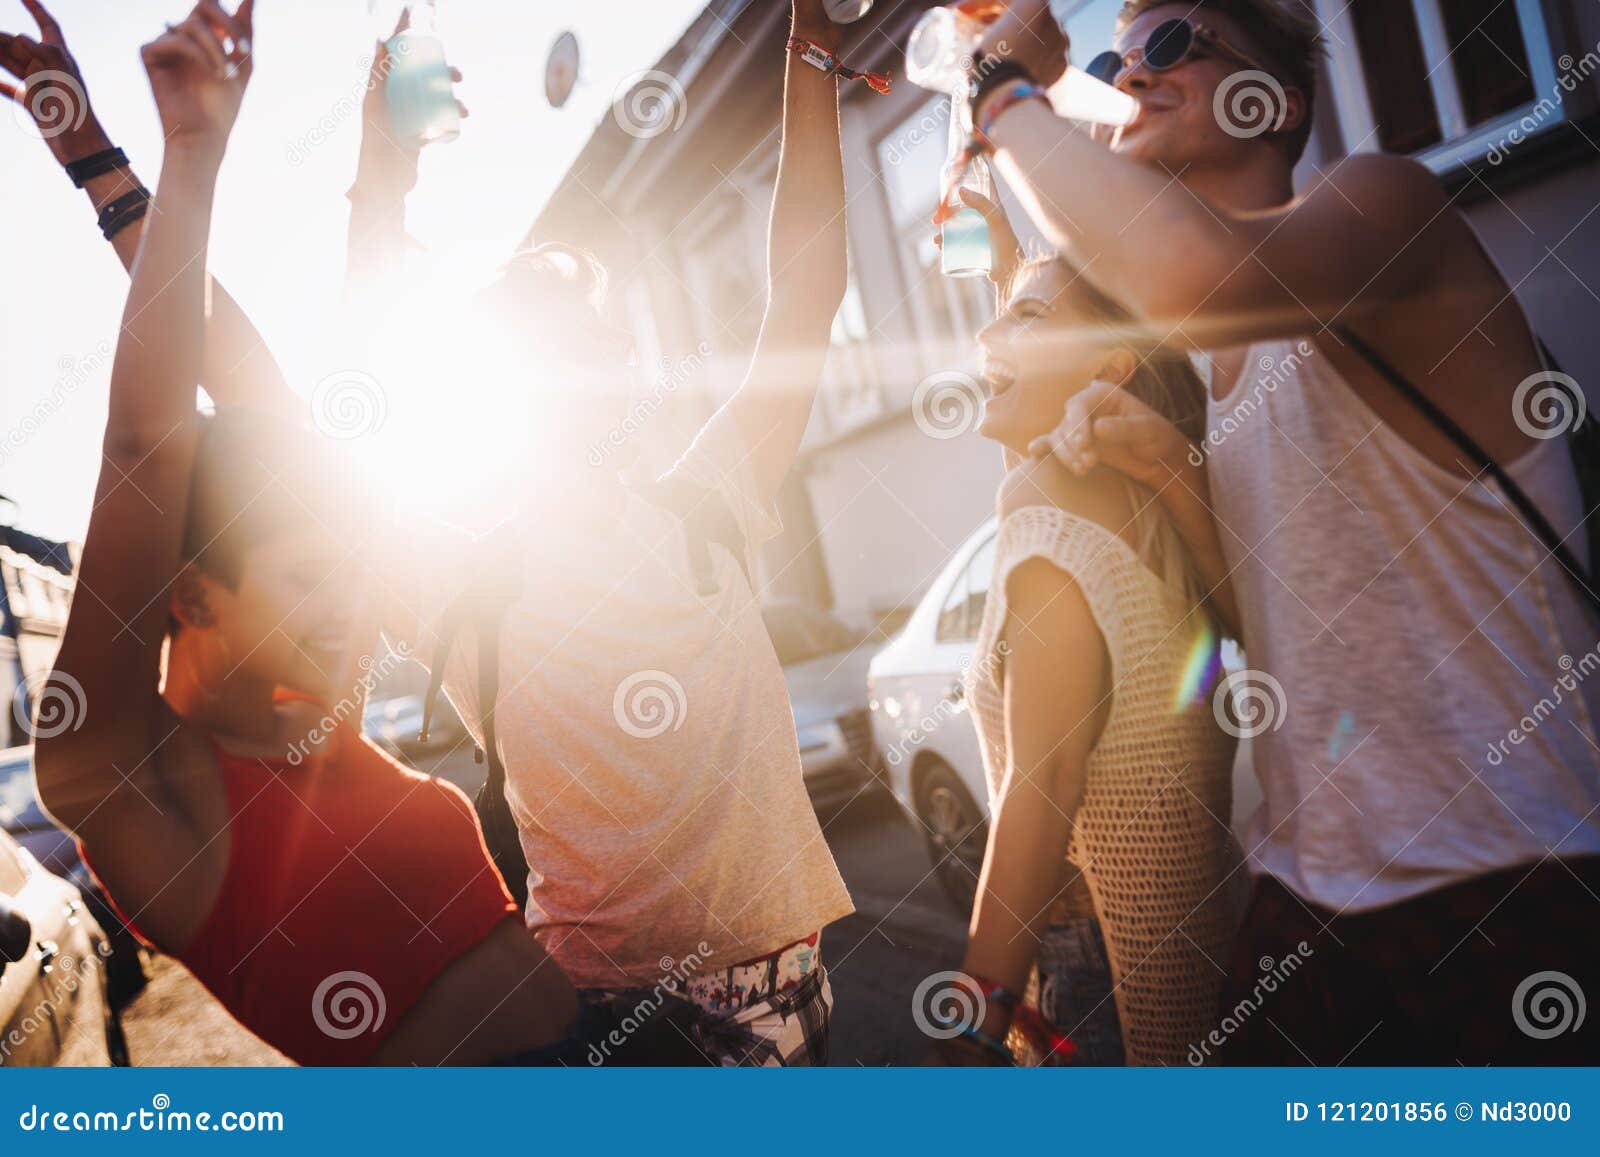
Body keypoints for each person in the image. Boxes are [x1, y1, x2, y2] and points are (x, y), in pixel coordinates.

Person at [8, 0, 858, 1065]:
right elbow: (264, 399)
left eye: (587, 348)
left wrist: (814, 45)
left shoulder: (709, 503)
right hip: (612, 1019)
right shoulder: (459, 577)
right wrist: (372, 180)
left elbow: (806, 294)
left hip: (794, 989)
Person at [966, 0, 1600, 1063]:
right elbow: (1259, 651)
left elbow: (1189, 272)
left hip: (1508, 881)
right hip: (1304, 903)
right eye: (1122, 56)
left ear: (1279, 102)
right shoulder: (1214, 378)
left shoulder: (1384, 207)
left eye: (1175, 44)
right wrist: (1173, 473)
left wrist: (1001, 90)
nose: (1133, 74)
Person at [931, 192, 1240, 1064]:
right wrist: (1006, 274)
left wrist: (971, 1025)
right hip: (1194, 948)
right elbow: (1049, 406)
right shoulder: (1153, 507)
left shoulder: (1045, 503)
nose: (987, 339)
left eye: (1026, 319)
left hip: (1087, 969)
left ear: (1111, 371)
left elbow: (1046, 778)